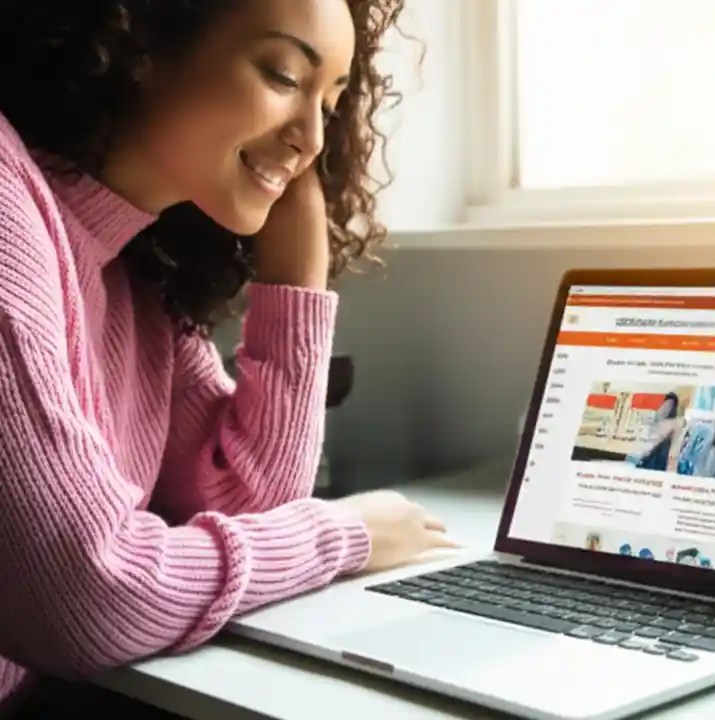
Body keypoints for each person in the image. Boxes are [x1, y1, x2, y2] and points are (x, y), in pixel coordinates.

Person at [0, 1, 456, 715]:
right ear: (140, 41)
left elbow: (248, 499)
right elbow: (87, 594)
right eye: (283, 75)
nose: (311, 139)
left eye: (331, 103)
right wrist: (347, 534)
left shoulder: (134, 278)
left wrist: (297, 284)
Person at [634, 392, 682, 472]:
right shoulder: (656, 420)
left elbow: (674, 448)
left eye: (670, 406)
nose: (666, 408)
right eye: (665, 405)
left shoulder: (674, 423)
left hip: (659, 459)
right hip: (648, 456)